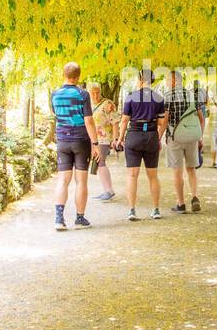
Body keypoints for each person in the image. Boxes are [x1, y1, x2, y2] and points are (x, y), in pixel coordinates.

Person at [49, 62, 101, 231]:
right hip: (80, 140)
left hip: (62, 140)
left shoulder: (54, 94)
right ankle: (79, 218)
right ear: (78, 77)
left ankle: (59, 218)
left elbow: (56, 115)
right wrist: (95, 144)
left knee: (63, 179)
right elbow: (89, 121)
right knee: (81, 180)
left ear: (63, 75)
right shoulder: (82, 94)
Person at [116, 68, 166, 220]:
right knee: (153, 176)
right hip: (151, 135)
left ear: (140, 79)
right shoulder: (158, 98)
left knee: (132, 176)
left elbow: (125, 120)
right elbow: (162, 121)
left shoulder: (131, 97)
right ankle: (156, 210)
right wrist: (158, 137)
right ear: (152, 80)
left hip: (134, 135)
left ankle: (132, 210)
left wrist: (120, 138)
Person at [164, 70, 204, 213]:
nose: (167, 83)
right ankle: (194, 197)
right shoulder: (193, 95)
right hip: (192, 137)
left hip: (175, 138)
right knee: (191, 169)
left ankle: (180, 204)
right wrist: (200, 136)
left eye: (168, 80)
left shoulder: (168, 96)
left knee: (177, 171)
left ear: (174, 81)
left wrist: (158, 137)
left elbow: (165, 120)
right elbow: (201, 118)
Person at [87, 82, 119, 201]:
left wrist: (116, 139)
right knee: (98, 163)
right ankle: (106, 190)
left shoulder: (107, 104)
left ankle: (109, 190)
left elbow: (115, 122)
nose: (95, 95)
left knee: (101, 162)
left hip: (104, 138)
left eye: (97, 92)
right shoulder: (89, 104)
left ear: (100, 92)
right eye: (93, 93)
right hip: (93, 139)